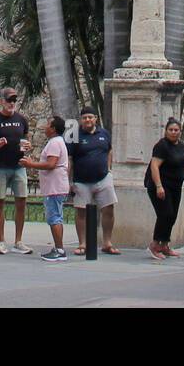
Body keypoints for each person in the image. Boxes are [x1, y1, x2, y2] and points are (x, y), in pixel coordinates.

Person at [0, 88, 32, 254]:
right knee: (0, 202)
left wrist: (28, 147)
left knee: (21, 203)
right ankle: (2, 241)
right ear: (1, 101)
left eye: (14, 100)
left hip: (18, 167)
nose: (12, 103)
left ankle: (18, 241)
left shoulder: (22, 120)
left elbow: (26, 141)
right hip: (0, 168)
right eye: (9, 100)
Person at [145, 117, 184, 259]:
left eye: (176, 130)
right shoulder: (161, 146)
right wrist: (158, 186)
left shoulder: (181, 146)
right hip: (161, 186)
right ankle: (155, 245)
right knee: (166, 214)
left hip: (175, 186)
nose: (173, 132)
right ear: (166, 131)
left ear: (180, 132)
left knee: (172, 216)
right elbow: (154, 166)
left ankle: (164, 244)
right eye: (171, 130)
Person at [68, 107, 119, 255]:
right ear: (80, 120)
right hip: (81, 180)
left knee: (109, 209)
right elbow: (70, 158)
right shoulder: (74, 135)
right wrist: (69, 181)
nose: (88, 120)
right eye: (84, 118)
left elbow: (110, 149)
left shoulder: (104, 133)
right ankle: (82, 244)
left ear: (95, 118)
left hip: (103, 178)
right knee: (81, 211)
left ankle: (107, 242)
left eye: (90, 117)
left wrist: (109, 168)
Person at [20, 116, 70, 262]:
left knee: (54, 217)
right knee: (55, 216)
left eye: (48, 124)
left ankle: (60, 250)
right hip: (54, 185)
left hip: (55, 186)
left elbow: (51, 164)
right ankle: (58, 247)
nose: (45, 127)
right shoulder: (56, 142)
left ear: (53, 129)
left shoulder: (55, 143)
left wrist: (31, 164)